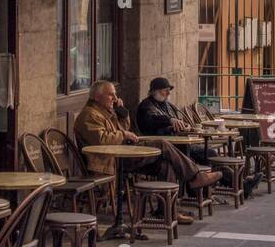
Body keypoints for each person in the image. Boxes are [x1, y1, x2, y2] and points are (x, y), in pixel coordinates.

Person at [74, 80, 211, 231]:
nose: (114, 98)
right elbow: (101, 140)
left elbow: (123, 127)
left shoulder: (106, 111)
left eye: (115, 95)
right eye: (110, 95)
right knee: (161, 144)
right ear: (96, 97)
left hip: (122, 156)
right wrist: (124, 134)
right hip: (110, 161)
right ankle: (195, 176)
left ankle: (167, 212)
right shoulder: (89, 115)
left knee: (165, 165)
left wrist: (122, 112)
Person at [137, 77, 261, 198]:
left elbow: (177, 121)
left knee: (210, 153)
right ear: (155, 91)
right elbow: (151, 120)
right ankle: (201, 185)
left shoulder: (168, 105)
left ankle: (238, 184)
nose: (168, 93)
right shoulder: (146, 106)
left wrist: (184, 126)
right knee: (199, 154)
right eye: (165, 90)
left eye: (169, 90)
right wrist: (169, 121)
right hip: (166, 147)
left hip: (178, 142)